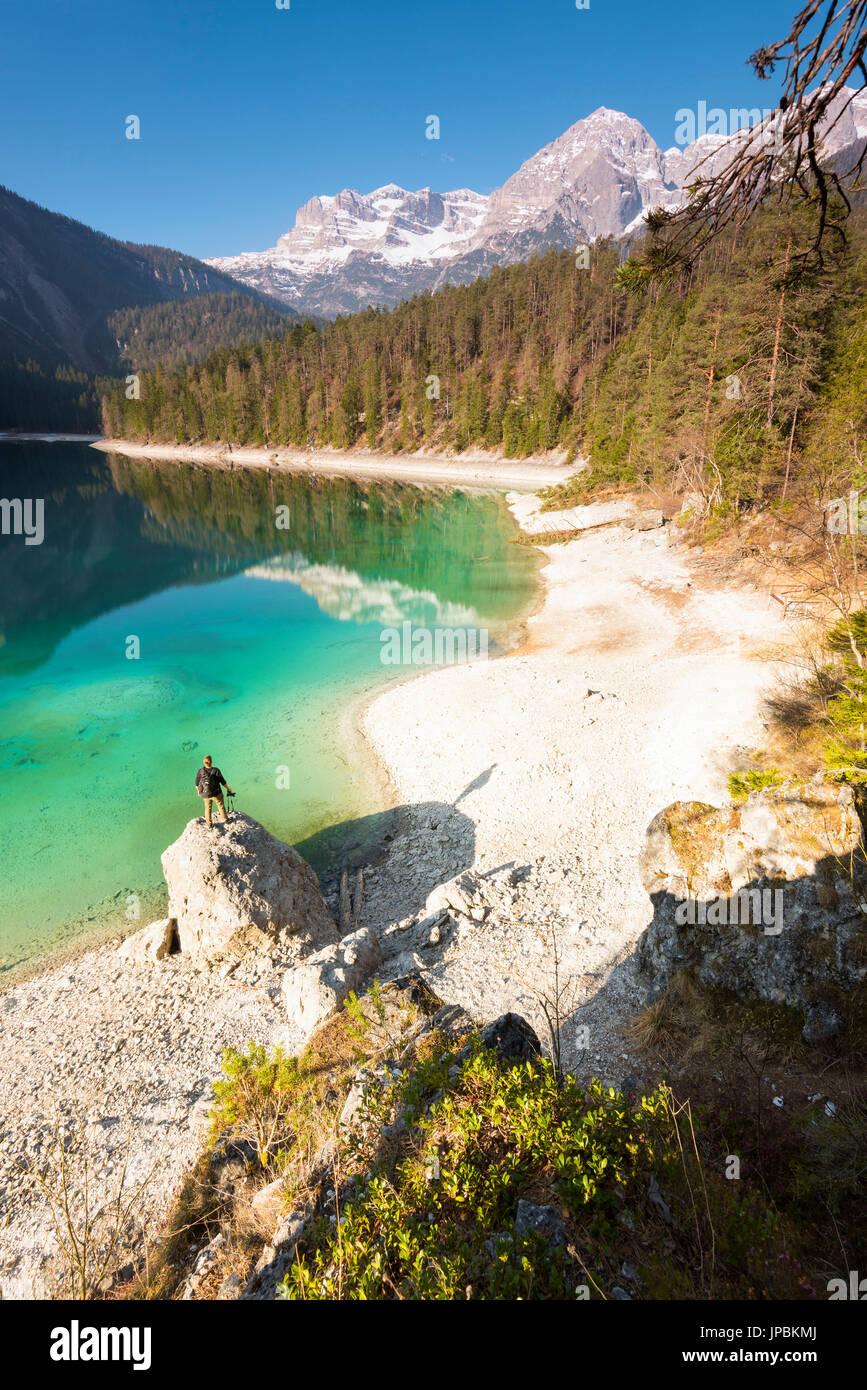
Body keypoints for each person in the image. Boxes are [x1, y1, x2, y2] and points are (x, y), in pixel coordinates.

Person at [195, 755, 235, 826]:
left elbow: (196, 783)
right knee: (221, 806)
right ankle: (226, 820)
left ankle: (209, 824)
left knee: (207, 808)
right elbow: (223, 782)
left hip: (205, 794)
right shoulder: (216, 770)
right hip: (216, 793)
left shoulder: (200, 771)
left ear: (204, 763)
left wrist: (198, 791)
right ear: (211, 762)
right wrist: (228, 789)